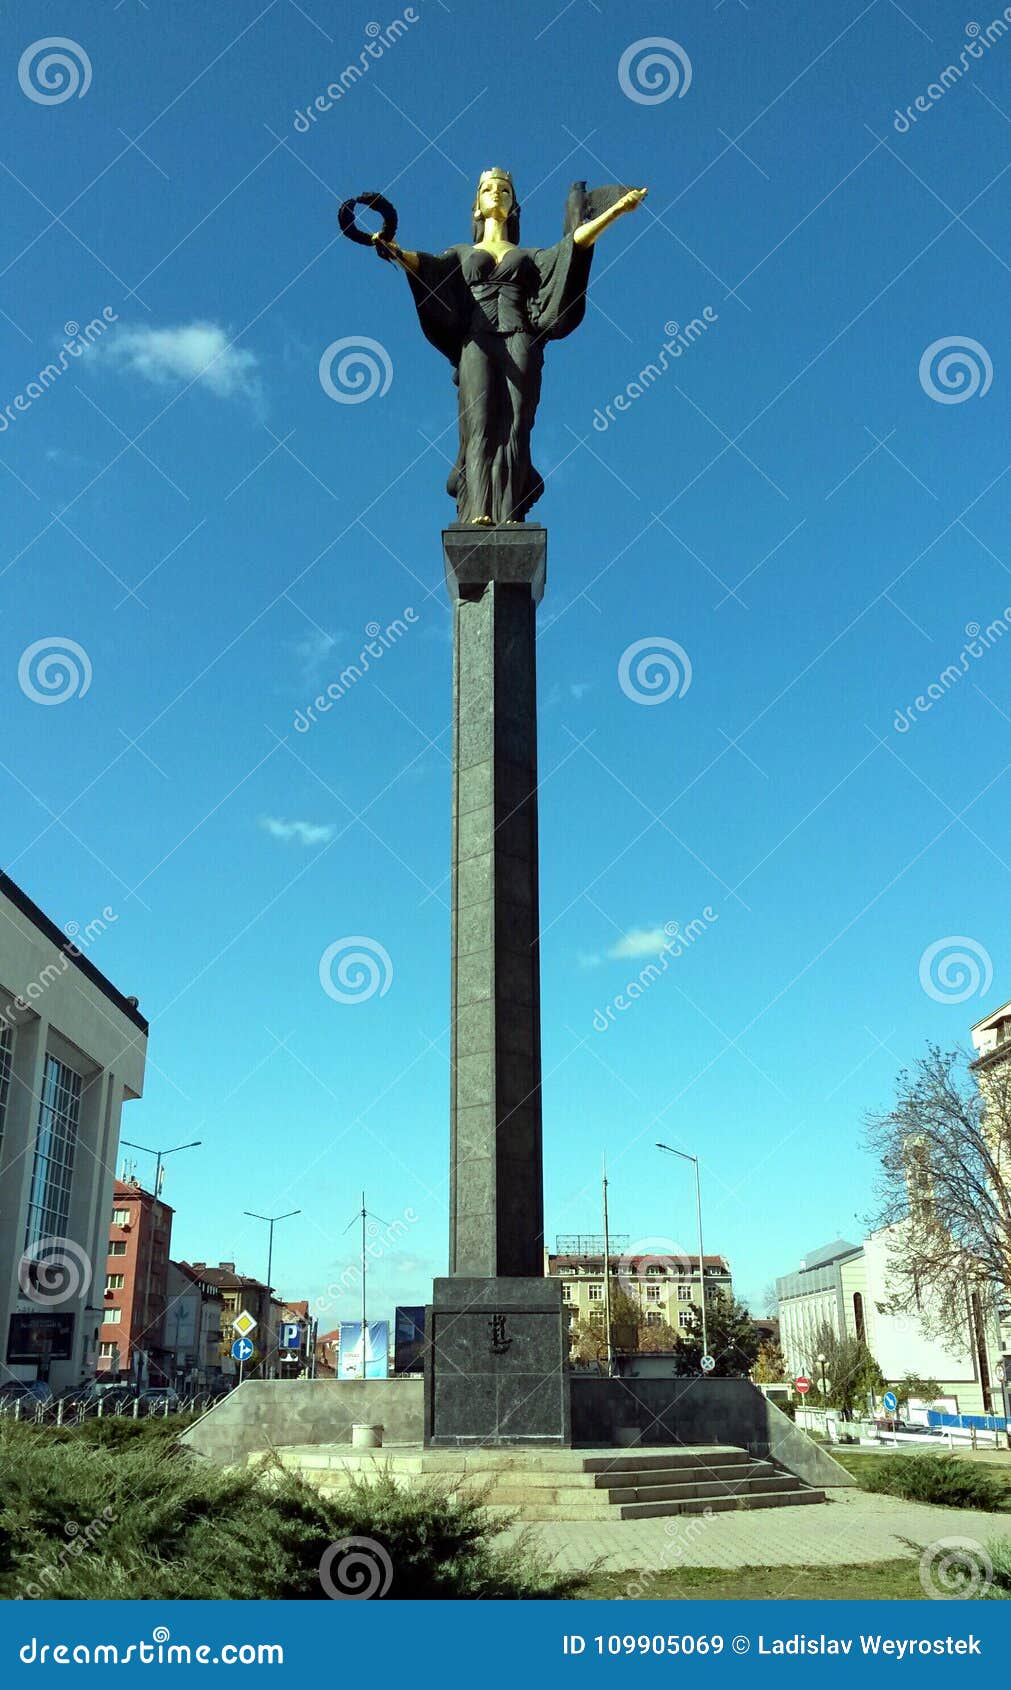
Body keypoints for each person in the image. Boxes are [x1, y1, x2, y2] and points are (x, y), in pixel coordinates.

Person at [372, 169, 647, 524]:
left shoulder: (529, 255)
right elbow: (429, 267)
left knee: (518, 423)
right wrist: (394, 249)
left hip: (520, 336)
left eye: (504, 189)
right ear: (477, 206)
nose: (496, 193)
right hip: (477, 339)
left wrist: (616, 212)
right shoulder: (461, 253)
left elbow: (572, 247)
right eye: (488, 189)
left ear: (514, 204)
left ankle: (509, 511)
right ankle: (480, 510)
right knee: (480, 423)